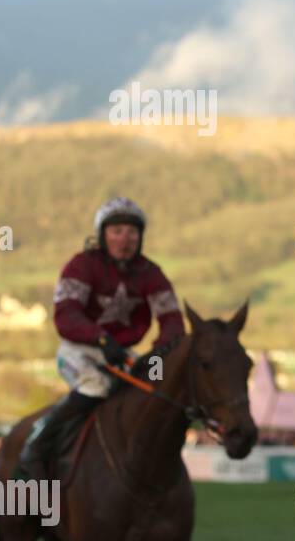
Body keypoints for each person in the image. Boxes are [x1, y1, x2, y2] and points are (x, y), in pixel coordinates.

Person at [16, 197, 185, 479]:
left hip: (122, 353)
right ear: (102, 235)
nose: (125, 239)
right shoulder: (82, 265)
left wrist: (156, 355)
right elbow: (66, 314)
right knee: (97, 388)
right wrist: (101, 339)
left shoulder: (151, 273)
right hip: (79, 351)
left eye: (132, 232)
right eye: (117, 231)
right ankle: (36, 446)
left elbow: (172, 322)